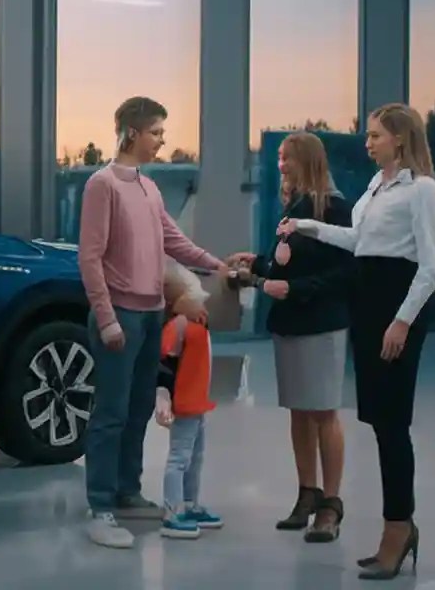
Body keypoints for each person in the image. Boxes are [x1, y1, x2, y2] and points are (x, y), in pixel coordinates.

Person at [278, 103, 435, 580]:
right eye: (368, 135)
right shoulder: (375, 187)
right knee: (379, 421)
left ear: (400, 139)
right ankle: (397, 528)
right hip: (369, 308)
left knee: (393, 425)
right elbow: (359, 242)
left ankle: (398, 529)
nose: (367, 142)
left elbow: (431, 266)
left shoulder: (423, 192)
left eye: (375, 136)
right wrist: (305, 226)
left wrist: (402, 322)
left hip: (396, 309)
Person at [78, 96, 250, 549]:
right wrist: (107, 317)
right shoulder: (102, 185)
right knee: (110, 415)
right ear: (132, 132)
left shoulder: (149, 189)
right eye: (156, 132)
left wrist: (217, 266)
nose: (161, 141)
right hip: (120, 316)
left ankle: (126, 492)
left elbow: (174, 241)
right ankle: (100, 508)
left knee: (137, 411)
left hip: (153, 314)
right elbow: (90, 258)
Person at [249, 132, 354, 543]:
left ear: (307, 160)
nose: (281, 164)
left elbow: (345, 273)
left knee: (323, 411)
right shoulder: (290, 210)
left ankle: (331, 504)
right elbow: (285, 266)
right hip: (289, 324)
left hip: (322, 324)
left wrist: (297, 290)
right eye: (278, 157)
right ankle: (306, 494)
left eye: (287, 157)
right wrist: (255, 264)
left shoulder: (336, 209)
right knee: (298, 410)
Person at [154, 260, 223, 540]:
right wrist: (163, 397)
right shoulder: (178, 328)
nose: (204, 307)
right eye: (198, 301)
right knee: (179, 458)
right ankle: (173, 511)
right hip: (184, 404)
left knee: (195, 456)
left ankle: (190, 503)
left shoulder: (197, 324)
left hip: (197, 403)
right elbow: (165, 367)